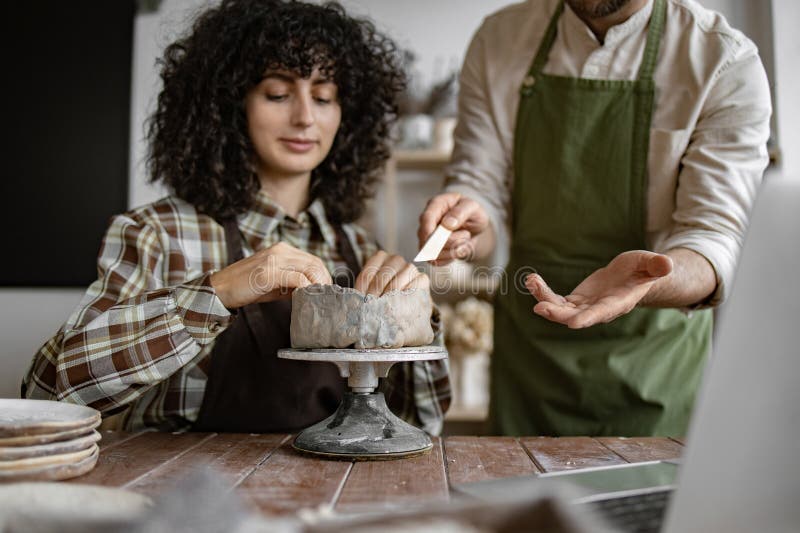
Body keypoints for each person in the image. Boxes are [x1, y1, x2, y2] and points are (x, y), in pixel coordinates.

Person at [22, 0, 450, 435]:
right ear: (230, 104)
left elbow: (421, 424)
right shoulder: (157, 235)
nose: (304, 117)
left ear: (347, 115)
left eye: (323, 97)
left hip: (329, 497)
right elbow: (46, 393)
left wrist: (418, 317)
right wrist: (217, 293)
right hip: (183, 495)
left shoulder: (359, 250)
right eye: (278, 94)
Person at [418, 0, 771, 436]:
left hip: (655, 369)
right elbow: (480, 190)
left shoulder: (721, 60)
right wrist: (467, 226)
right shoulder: (499, 40)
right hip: (531, 364)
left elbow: (715, 236)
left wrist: (646, 282)